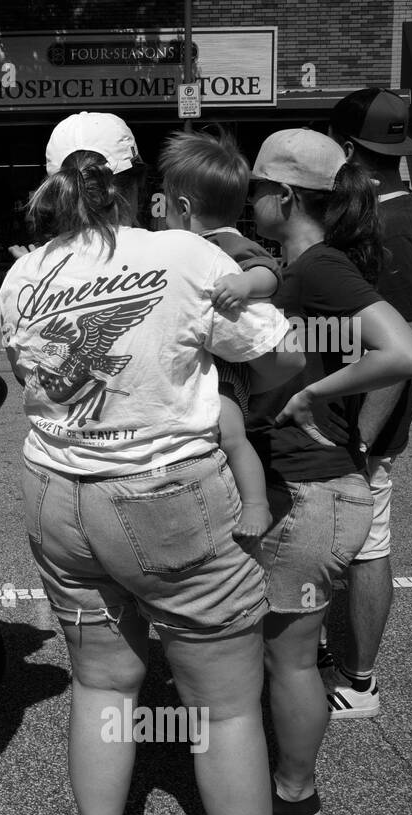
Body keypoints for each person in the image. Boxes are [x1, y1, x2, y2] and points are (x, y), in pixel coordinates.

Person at [0, 111, 317, 815]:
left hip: (57, 494)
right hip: (163, 494)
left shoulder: (23, 275)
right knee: (224, 709)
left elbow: (33, 376)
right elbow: (279, 355)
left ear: (54, 182)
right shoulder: (183, 253)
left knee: (102, 682)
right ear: (140, 183)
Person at [247, 129, 412, 815]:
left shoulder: (318, 267)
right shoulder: (306, 265)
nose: (249, 200)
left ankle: (292, 789)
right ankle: (279, 776)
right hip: (311, 487)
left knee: (289, 658)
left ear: (286, 196)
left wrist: (313, 398)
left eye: (258, 189)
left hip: (314, 493)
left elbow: (405, 351)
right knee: (282, 650)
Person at [326, 88, 412, 719]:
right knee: (339, 540)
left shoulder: (395, 224)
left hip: (364, 428)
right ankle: (329, 658)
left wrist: (360, 443)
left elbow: (398, 351)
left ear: (348, 150)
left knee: (368, 543)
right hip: (342, 418)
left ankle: (360, 682)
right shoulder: (381, 210)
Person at [159, 130, 281, 538]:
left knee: (231, 434)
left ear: (183, 207)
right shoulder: (184, 246)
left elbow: (269, 270)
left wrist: (245, 285)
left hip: (228, 369)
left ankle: (256, 505)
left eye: (164, 205)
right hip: (203, 360)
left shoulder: (229, 244)